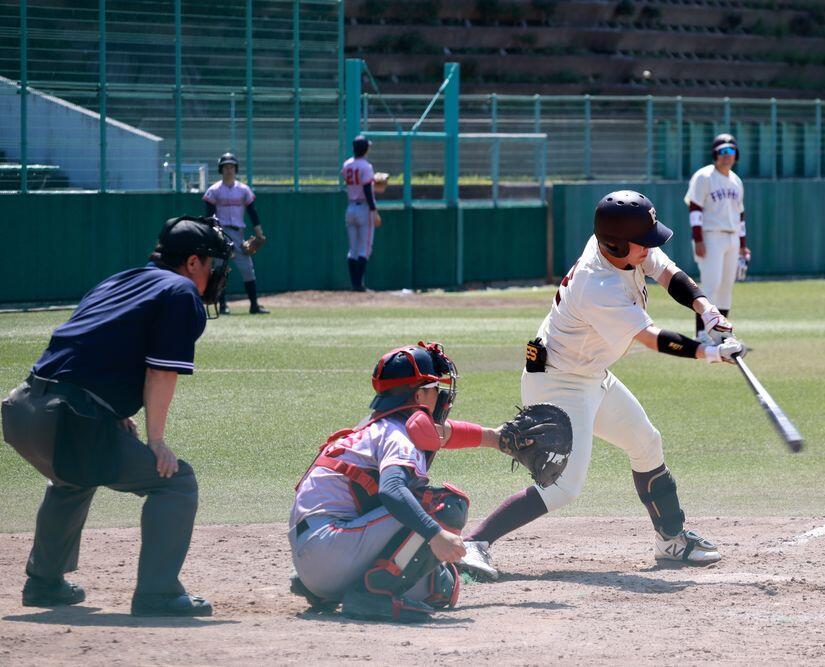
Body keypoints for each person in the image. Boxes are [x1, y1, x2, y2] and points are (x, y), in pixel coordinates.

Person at [458, 190, 746, 582]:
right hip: (558, 385)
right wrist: (710, 353)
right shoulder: (597, 285)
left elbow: (667, 272)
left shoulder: (622, 249)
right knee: (562, 489)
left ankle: (671, 540)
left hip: (591, 375)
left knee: (646, 442)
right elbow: (649, 337)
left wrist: (705, 308)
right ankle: (474, 542)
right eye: (643, 242)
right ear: (615, 242)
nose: (650, 247)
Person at [1, 216, 232, 617]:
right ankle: (158, 593)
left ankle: (45, 583)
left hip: (23, 410)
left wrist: (108, 411)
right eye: (210, 263)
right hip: (68, 417)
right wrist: (157, 441)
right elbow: (160, 371)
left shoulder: (122, 279)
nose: (212, 273)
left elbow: (87, 348)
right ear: (193, 262)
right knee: (175, 482)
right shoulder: (180, 291)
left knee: (74, 476)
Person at [289, 342, 508, 623]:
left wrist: (496, 439)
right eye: (433, 389)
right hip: (333, 549)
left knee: (439, 586)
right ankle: (375, 594)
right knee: (445, 506)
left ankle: (335, 590)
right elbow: (391, 490)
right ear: (418, 394)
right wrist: (435, 534)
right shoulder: (398, 435)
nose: (440, 396)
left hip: (314, 562)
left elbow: (445, 434)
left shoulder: (372, 427)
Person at [684, 133, 751, 343]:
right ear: (715, 154)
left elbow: (740, 215)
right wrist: (698, 239)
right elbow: (695, 208)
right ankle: (701, 333)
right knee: (709, 286)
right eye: (722, 151)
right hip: (710, 236)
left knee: (726, 287)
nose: (727, 155)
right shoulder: (704, 176)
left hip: (731, 238)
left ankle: (721, 333)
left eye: (731, 151)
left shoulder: (736, 181)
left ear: (736, 155)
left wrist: (742, 245)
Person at [203, 152, 269, 314]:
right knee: (220, 270)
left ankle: (254, 305)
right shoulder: (214, 190)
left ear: (236, 169)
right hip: (221, 233)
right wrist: (214, 236)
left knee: (247, 269)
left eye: (231, 167)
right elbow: (209, 216)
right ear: (221, 169)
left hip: (239, 234)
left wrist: (259, 234)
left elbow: (253, 212)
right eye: (225, 167)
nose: (229, 170)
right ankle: (223, 306)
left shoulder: (243, 190)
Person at [340, 135, 382, 292]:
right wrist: (374, 210)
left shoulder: (347, 164)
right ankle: (359, 285)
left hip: (350, 206)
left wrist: (371, 183)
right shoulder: (366, 166)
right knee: (365, 247)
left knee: (353, 248)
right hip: (364, 207)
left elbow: (351, 181)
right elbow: (366, 189)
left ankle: (354, 284)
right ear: (366, 149)